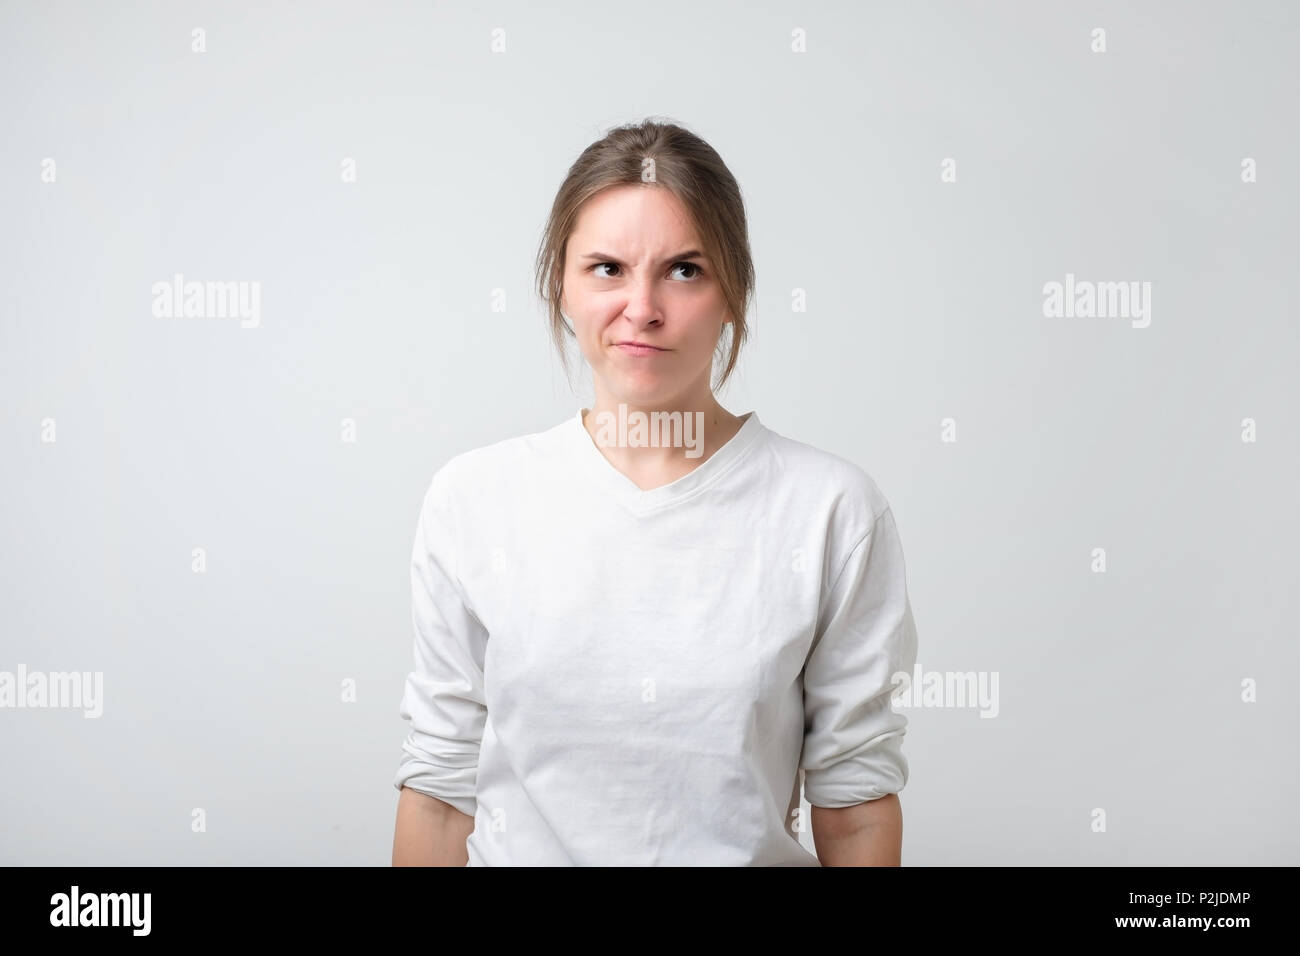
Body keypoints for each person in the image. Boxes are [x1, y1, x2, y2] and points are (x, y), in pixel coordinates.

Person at [391, 119, 919, 866]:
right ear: (561, 288)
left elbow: (856, 804)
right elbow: (440, 795)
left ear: (733, 292)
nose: (641, 307)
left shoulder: (831, 511)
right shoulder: (474, 500)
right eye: (606, 268)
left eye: (684, 270)